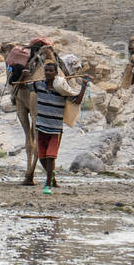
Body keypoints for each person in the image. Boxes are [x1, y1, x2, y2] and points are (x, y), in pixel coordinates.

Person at [34, 60, 88, 194]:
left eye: (50, 71)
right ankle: (51, 177)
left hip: (55, 130)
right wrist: (23, 76)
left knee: (51, 157)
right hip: (41, 127)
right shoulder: (38, 85)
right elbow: (24, 87)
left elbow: (77, 101)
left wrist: (83, 87)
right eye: (46, 70)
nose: (47, 73)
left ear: (56, 73)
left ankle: (48, 185)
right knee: (42, 158)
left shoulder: (61, 88)